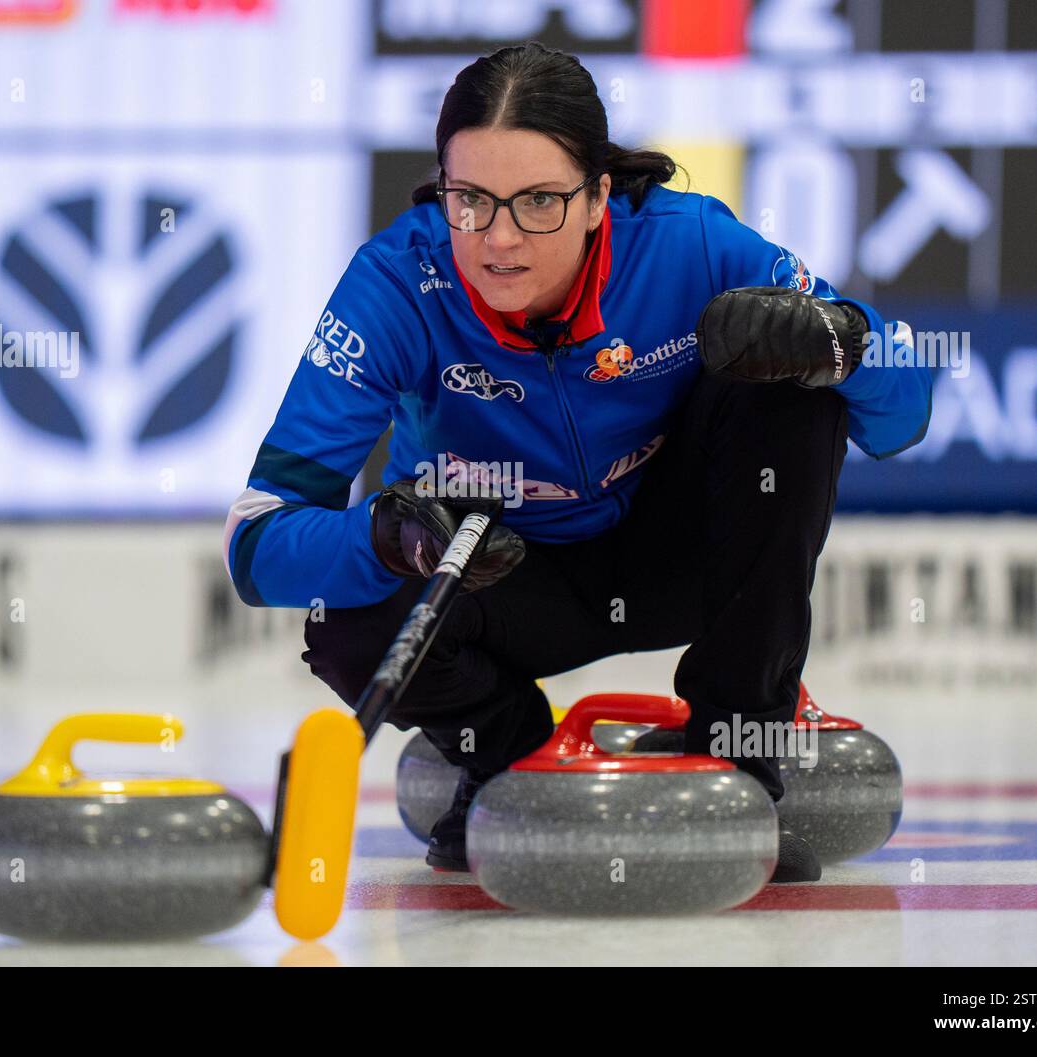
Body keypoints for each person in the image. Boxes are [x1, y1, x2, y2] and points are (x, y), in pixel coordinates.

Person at [224, 41, 932, 882]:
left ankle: (738, 750)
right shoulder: (394, 287)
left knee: (797, 383)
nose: (498, 240)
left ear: (599, 195)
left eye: (539, 203)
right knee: (340, 619)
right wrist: (384, 536)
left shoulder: (690, 241)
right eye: (470, 201)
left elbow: (901, 423)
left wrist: (842, 344)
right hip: (496, 570)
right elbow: (257, 545)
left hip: (679, 557)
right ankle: (509, 760)